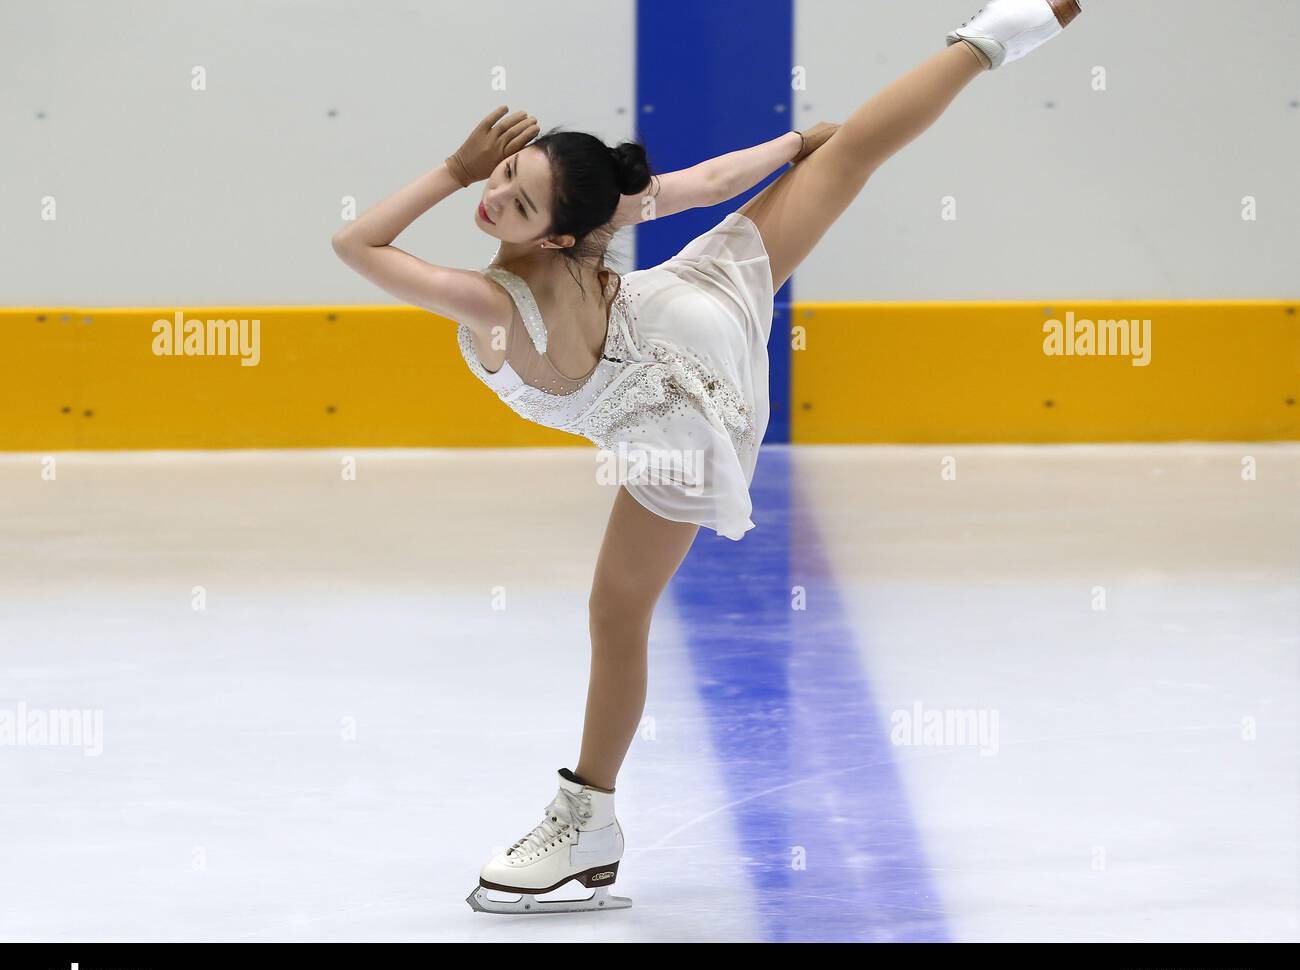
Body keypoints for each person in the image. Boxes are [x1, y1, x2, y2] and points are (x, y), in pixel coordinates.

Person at [331, 0, 1085, 914]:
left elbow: (355, 243)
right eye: (499, 177)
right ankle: (1001, 29)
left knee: (617, 612)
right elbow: (709, 180)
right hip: (691, 305)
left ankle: (587, 821)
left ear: (561, 234)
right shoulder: (593, 219)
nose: (493, 198)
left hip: (671, 411)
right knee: (848, 155)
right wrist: (799, 142)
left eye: (517, 199)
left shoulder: (488, 303)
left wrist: (450, 170)